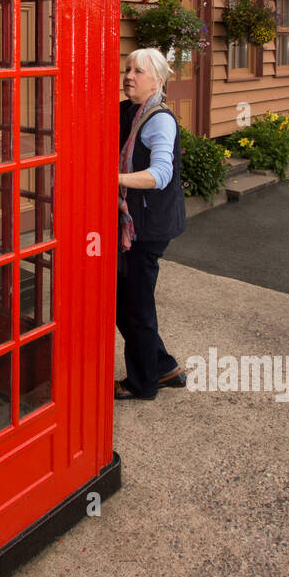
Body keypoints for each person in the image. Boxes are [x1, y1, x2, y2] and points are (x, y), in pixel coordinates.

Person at [115, 47, 186, 401]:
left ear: (158, 79)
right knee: (125, 302)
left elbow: (160, 174)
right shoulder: (129, 110)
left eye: (138, 71)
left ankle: (142, 384)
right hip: (135, 221)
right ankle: (163, 365)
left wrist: (113, 179)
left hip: (148, 227)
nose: (129, 76)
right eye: (127, 69)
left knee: (136, 306)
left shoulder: (159, 119)